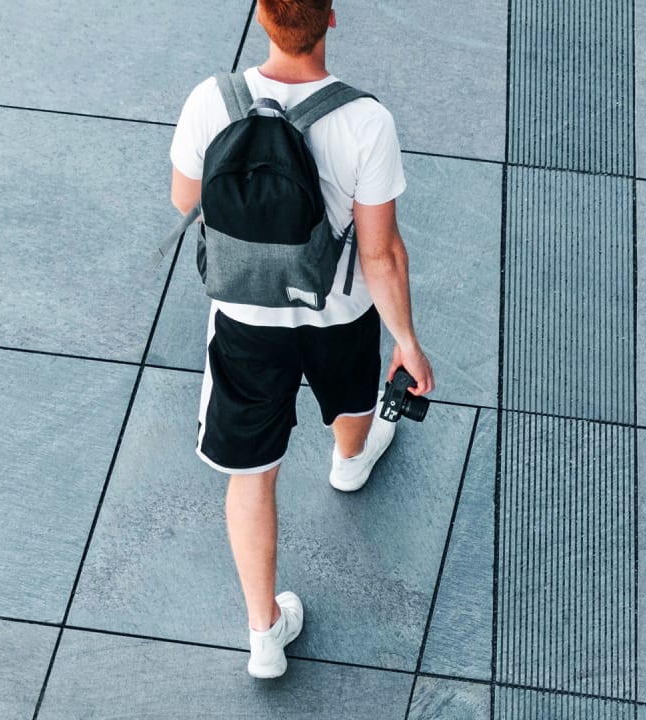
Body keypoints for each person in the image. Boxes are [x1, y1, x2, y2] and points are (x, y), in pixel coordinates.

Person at [169, 0, 434, 679]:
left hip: (244, 320)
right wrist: (406, 340)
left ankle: (264, 634)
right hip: (336, 312)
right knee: (351, 394)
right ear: (331, 19)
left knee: (251, 476)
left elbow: (183, 200)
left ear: (262, 17)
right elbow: (381, 253)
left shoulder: (212, 99)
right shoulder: (364, 120)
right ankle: (350, 459)